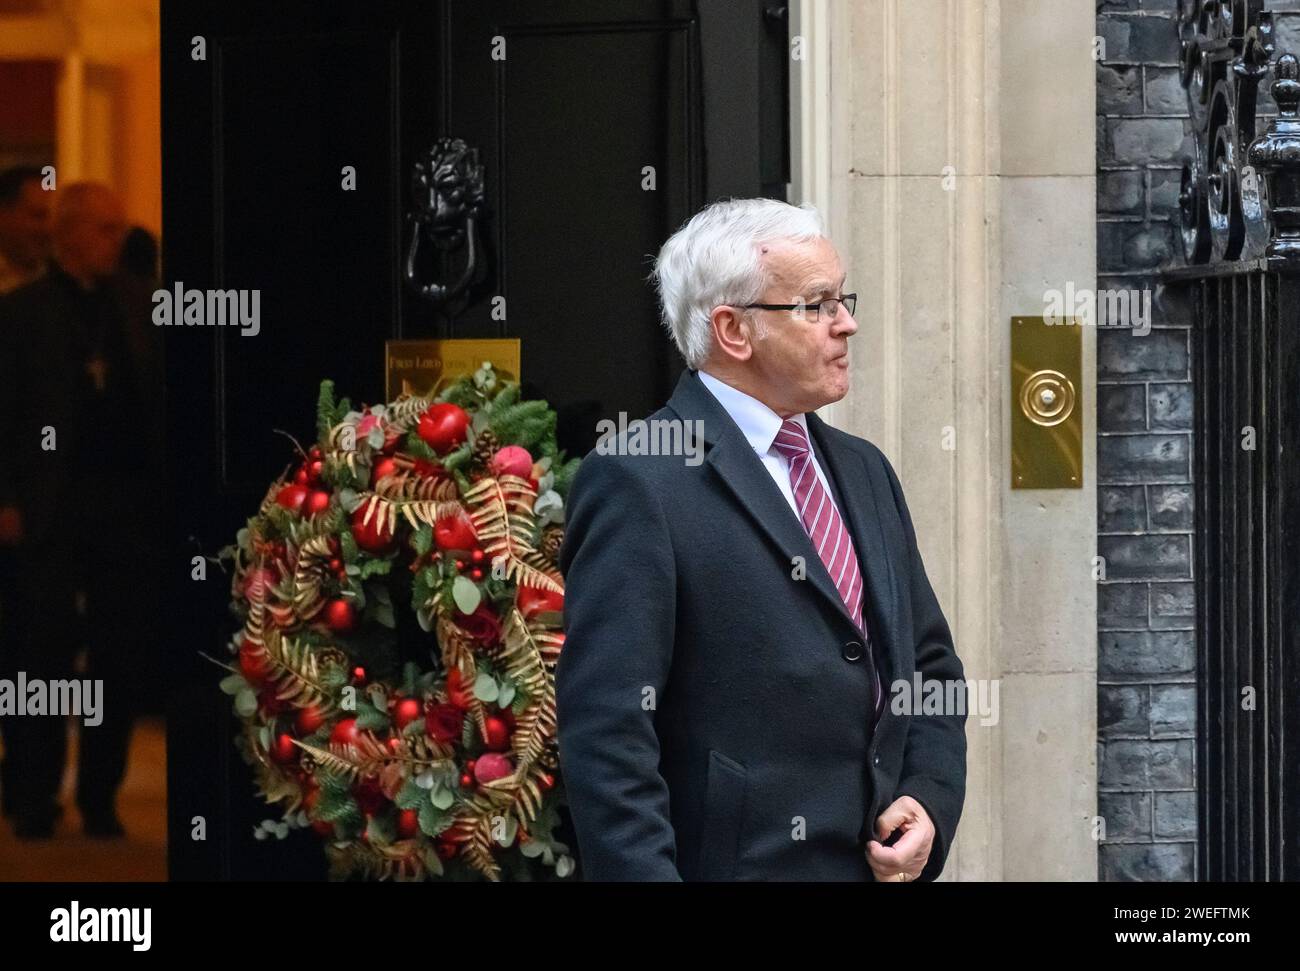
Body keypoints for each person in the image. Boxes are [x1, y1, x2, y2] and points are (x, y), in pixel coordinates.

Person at [556, 198, 967, 881]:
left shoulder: (865, 470)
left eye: (844, 297)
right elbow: (608, 738)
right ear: (732, 330)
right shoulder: (638, 479)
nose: (848, 323)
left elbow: (930, 667)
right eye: (817, 304)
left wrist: (929, 798)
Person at [0, 182, 141, 839]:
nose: (119, 240)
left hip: (117, 511)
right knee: (39, 656)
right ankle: (33, 795)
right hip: (45, 509)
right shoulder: (23, 312)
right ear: (71, 233)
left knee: (115, 654)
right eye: (107, 229)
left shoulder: (133, 307)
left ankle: (100, 795)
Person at [0, 165, 51, 296]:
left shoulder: (59, 279)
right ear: (4, 214)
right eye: (38, 216)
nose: (48, 228)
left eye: (52, 217)